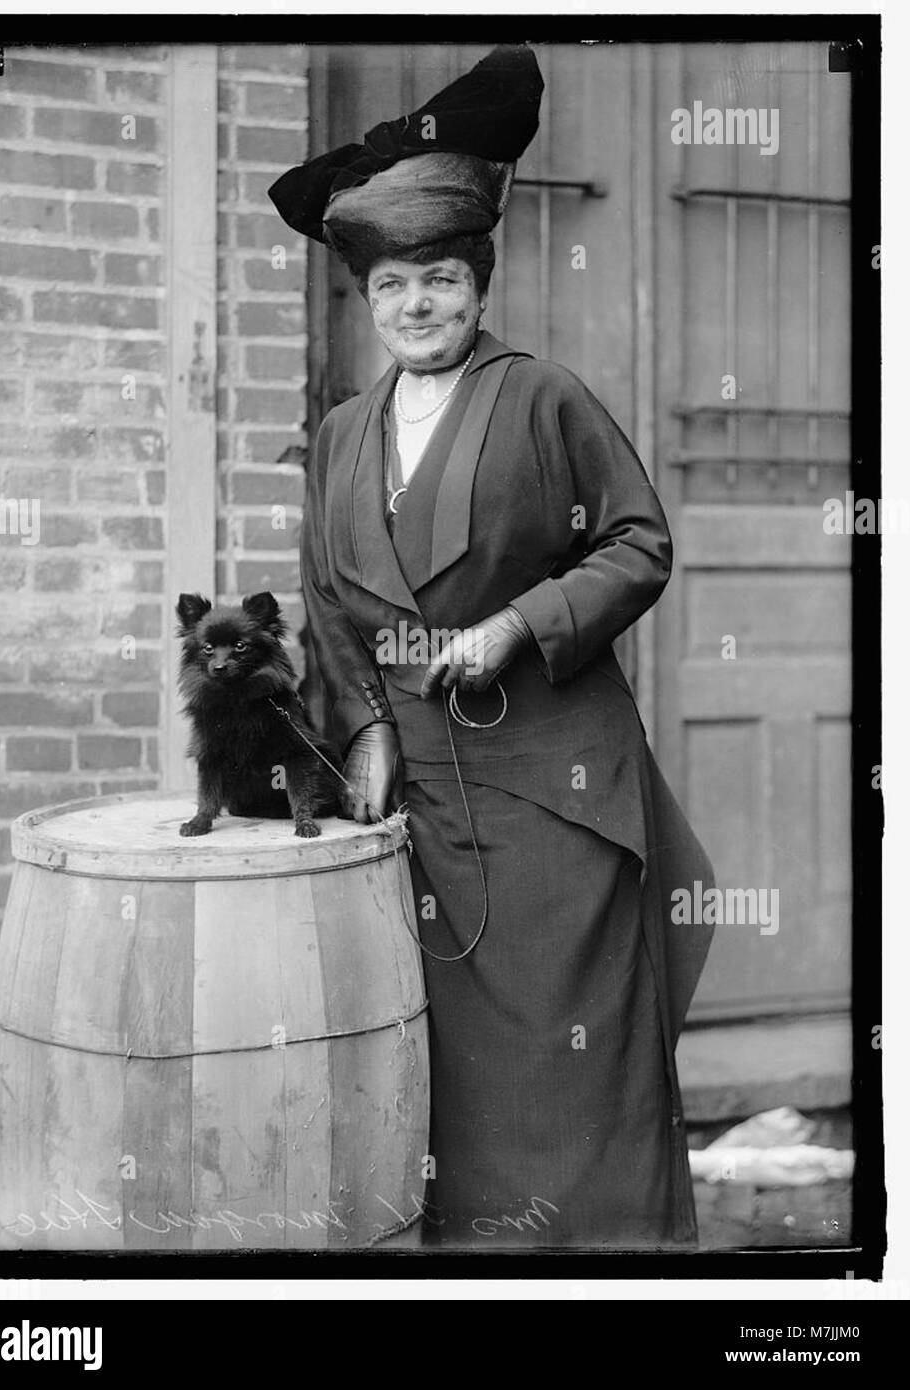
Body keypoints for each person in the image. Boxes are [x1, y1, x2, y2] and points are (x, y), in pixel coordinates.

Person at [270, 44, 715, 1249]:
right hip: (428, 814)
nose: (416, 307)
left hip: (557, 811)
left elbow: (634, 543)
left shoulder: (542, 397)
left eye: (440, 281)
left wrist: (520, 623)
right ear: (367, 303)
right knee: (458, 1103)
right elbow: (326, 602)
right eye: (392, 288)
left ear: (478, 285)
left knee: (581, 1097)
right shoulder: (341, 434)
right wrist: (364, 730)